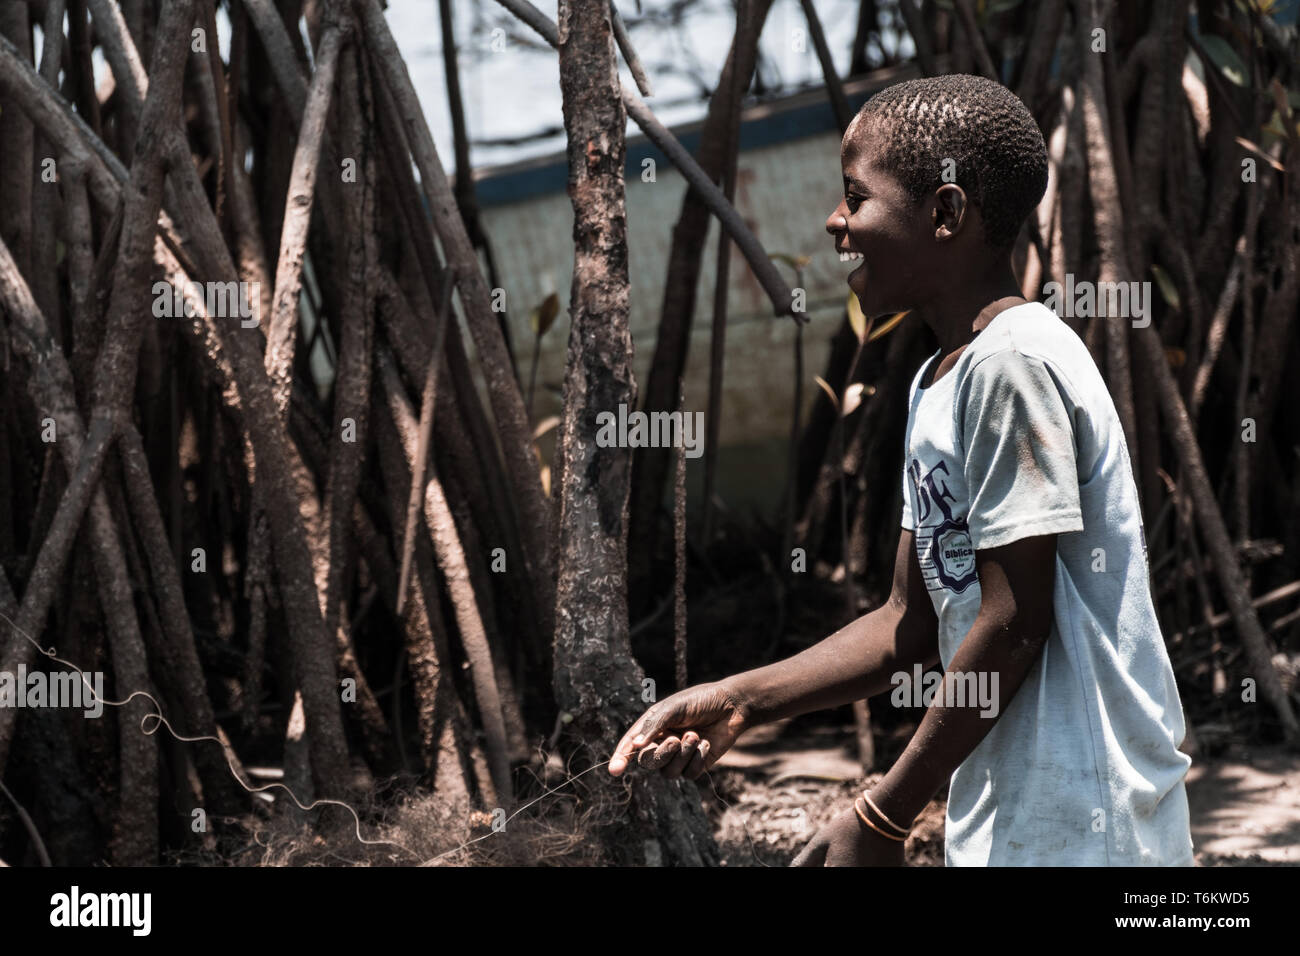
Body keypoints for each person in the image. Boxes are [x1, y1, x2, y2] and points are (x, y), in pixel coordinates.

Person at [608, 74, 1194, 866]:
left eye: (857, 197)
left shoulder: (1012, 366)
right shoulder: (936, 382)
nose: (835, 220)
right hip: (1014, 815)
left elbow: (1014, 619)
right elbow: (905, 624)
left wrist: (883, 816)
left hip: (1089, 814)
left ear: (946, 213)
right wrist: (736, 701)